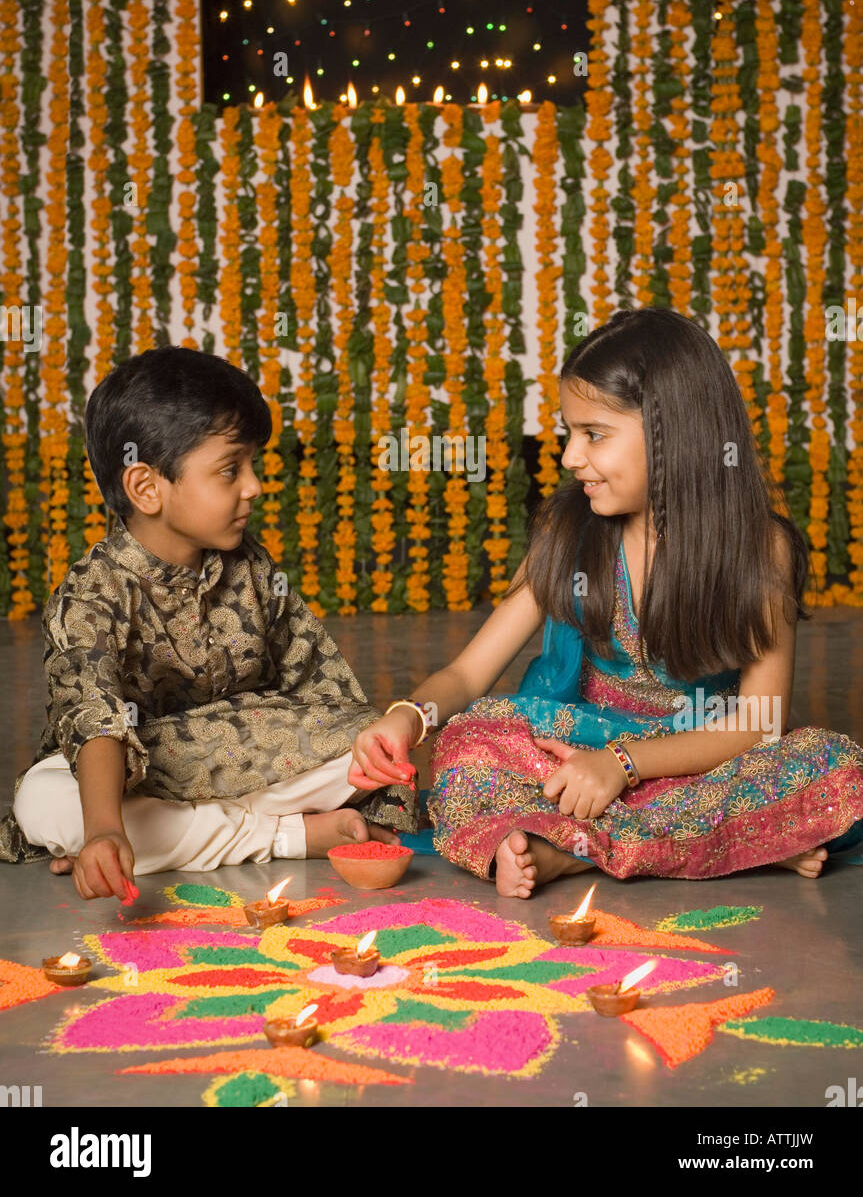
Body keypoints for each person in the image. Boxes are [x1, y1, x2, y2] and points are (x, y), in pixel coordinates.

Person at [347, 307, 863, 896]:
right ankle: (739, 844)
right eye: (569, 432)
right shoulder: (568, 534)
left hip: (698, 755)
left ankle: (577, 850)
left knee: (837, 770)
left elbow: (757, 725)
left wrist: (622, 765)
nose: (569, 456)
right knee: (469, 743)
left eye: (593, 434)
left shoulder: (758, 548)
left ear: (676, 435)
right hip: (575, 749)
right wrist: (408, 718)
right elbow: (469, 673)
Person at [0, 347, 417, 900]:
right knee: (43, 801)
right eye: (230, 470)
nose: (254, 487)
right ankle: (285, 837)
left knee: (376, 742)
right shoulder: (91, 594)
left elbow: (318, 688)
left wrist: (367, 745)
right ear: (146, 488)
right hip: (133, 780)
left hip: (252, 762)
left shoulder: (252, 565)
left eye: (252, 466)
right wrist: (102, 829)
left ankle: (186, 838)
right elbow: (94, 717)